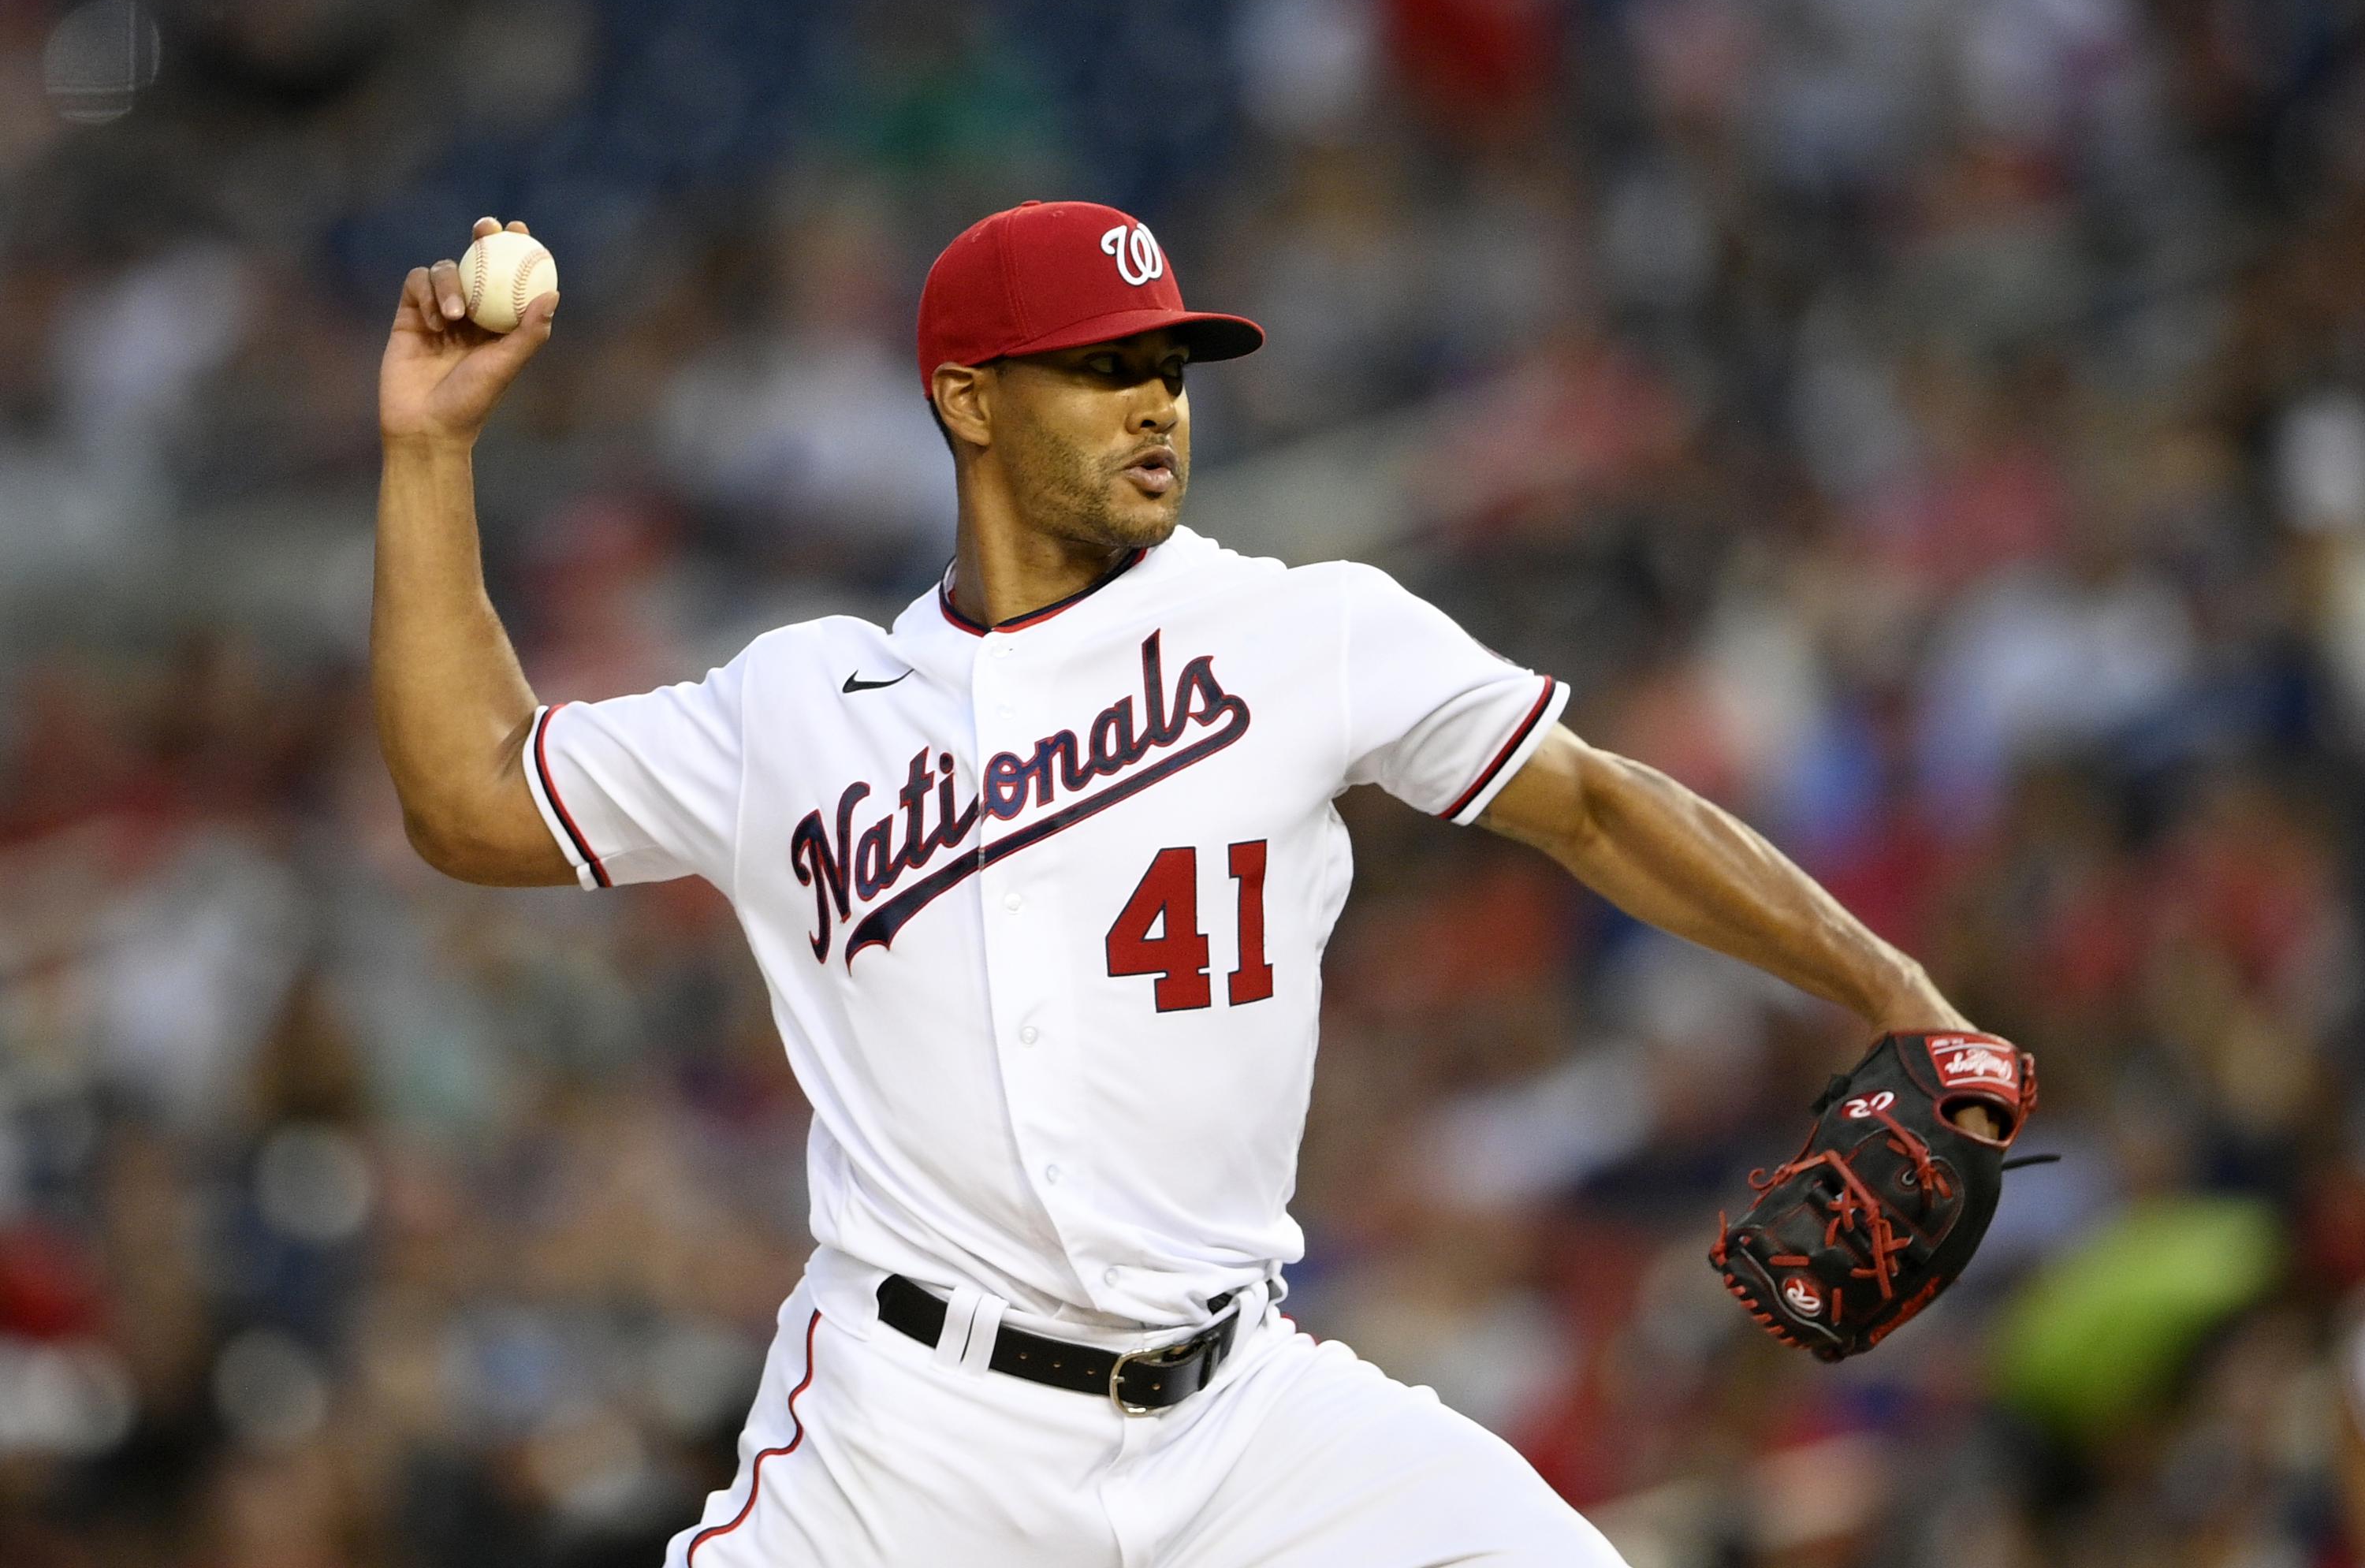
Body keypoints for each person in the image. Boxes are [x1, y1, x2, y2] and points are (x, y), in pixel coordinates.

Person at [374, 202, 1980, 1566]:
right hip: (913, 1440)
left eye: (1168, 367)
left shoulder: (1304, 629)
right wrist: (430, 451)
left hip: (1245, 1414)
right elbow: (468, 799)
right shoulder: (797, 708)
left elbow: (1597, 808)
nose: (1156, 403)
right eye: (1101, 367)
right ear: (970, 400)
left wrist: (1893, 992)